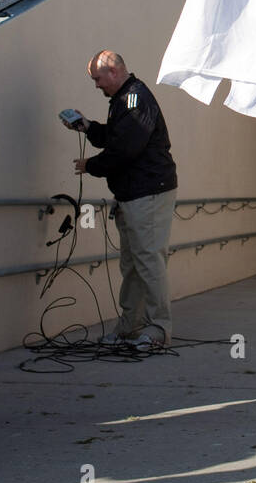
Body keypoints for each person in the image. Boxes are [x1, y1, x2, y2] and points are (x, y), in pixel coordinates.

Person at [64, 50, 178, 350]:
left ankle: (159, 329)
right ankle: (131, 326)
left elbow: (125, 149)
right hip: (133, 194)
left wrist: (92, 166)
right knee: (133, 263)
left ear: (113, 72)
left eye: (98, 79)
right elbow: (116, 138)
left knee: (149, 260)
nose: (96, 86)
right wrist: (87, 127)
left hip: (148, 192)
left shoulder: (135, 99)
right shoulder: (123, 100)